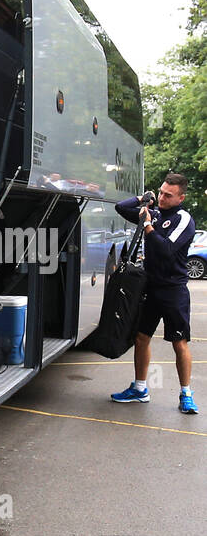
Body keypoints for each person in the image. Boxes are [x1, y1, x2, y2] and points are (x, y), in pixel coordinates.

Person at [109, 173, 196, 413]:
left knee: (179, 343)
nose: (162, 198)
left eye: (168, 195)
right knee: (141, 337)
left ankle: (186, 394)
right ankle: (140, 389)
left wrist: (147, 225)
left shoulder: (183, 219)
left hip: (173, 290)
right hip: (150, 288)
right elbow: (121, 207)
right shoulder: (155, 212)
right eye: (160, 192)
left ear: (181, 198)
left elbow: (166, 249)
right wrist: (143, 197)